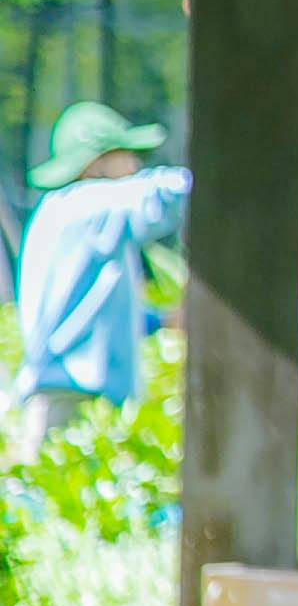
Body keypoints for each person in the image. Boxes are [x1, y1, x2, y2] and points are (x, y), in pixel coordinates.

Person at [14, 102, 189, 454]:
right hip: (71, 401)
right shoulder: (89, 207)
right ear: (95, 164)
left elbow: (89, 312)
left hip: (65, 394)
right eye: (127, 155)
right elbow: (164, 195)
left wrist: (161, 320)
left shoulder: (60, 214)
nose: (136, 167)